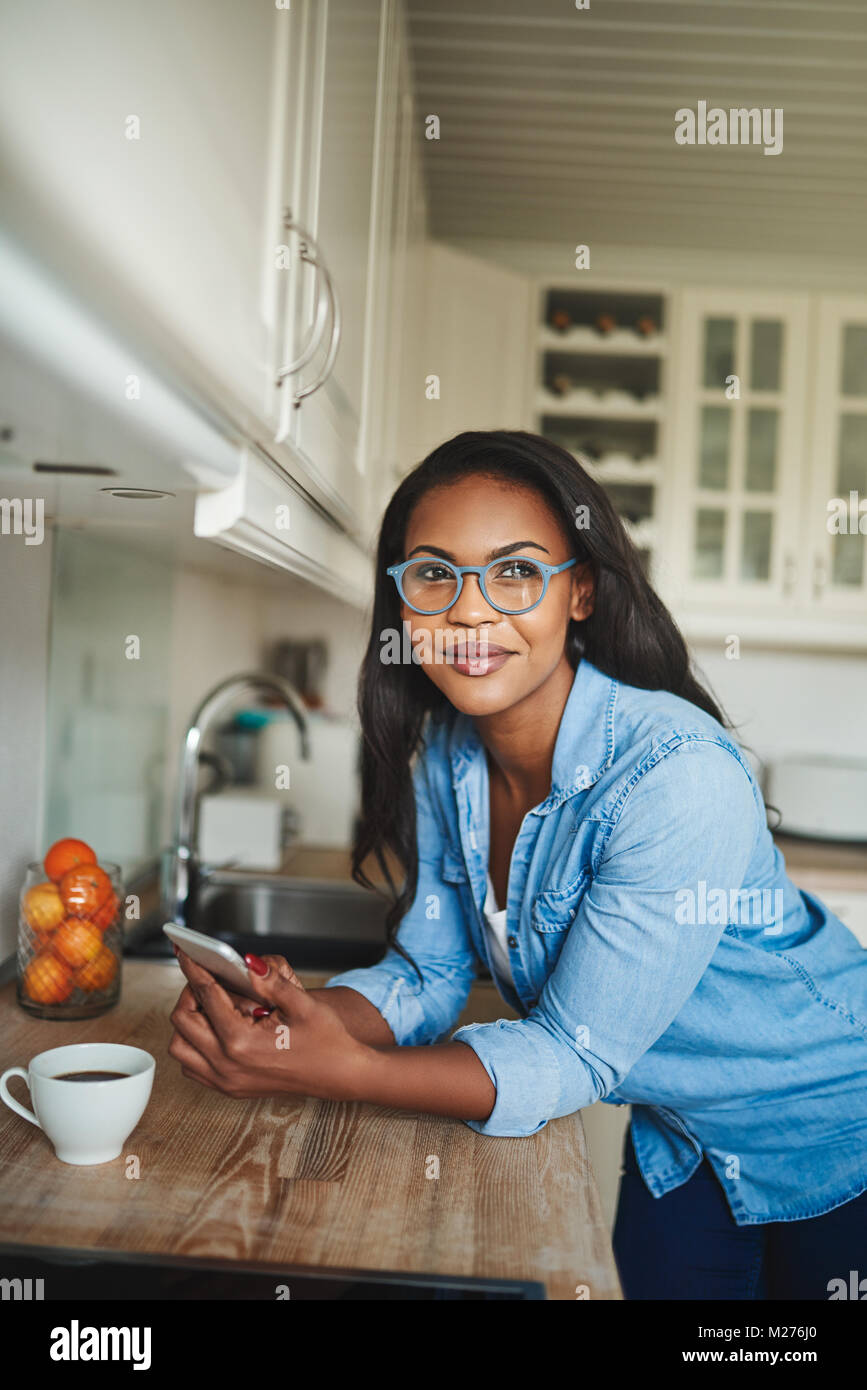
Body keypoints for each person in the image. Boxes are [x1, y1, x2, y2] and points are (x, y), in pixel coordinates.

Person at [169, 430, 867, 1300]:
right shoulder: (445, 759)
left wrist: (340, 1069)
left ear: (579, 591)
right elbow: (427, 974)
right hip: (683, 1137)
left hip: (837, 1126)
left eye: (514, 572)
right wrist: (297, 1019)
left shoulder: (675, 775)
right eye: (433, 573)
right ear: (401, 601)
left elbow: (571, 1055)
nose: (467, 611)